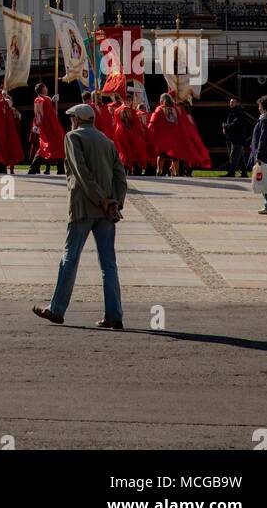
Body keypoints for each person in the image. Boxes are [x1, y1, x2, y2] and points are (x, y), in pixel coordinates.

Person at [32, 102, 128, 330]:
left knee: (70, 257)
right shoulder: (107, 141)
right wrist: (114, 202)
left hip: (83, 208)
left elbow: (81, 172)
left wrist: (101, 199)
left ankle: (57, 309)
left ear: (77, 119)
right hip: (106, 212)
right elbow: (121, 178)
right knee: (108, 263)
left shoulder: (73, 138)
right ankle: (114, 315)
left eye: (71, 118)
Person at [148, 91, 189, 176]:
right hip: (174, 136)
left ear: (162, 100)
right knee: (175, 156)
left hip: (163, 136)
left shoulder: (160, 109)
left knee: (161, 154)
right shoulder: (176, 109)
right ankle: (176, 173)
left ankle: (159, 171)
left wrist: (149, 130)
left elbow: (153, 121)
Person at [28, 82, 65, 175]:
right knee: (52, 146)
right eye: (45, 87)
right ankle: (60, 169)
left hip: (46, 127)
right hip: (50, 128)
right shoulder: (43, 100)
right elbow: (47, 115)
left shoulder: (40, 99)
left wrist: (52, 101)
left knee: (47, 147)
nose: (47, 89)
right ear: (43, 89)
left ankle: (33, 168)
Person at [177, 97, 211, 174]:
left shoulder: (187, 116)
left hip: (188, 139)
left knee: (189, 156)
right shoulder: (182, 116)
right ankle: (182, 171)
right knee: (183, 156)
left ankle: (187, 171)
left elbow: (192, 128)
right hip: (182, 139)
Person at [222, 97, 249, 177]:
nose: (231, 103)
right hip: (234, 138)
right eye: (230, 102)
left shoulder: (239, 112)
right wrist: (225, 126)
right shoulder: (233, 111)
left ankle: (231, 172)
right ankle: (244, 173)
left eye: (233, 102)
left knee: (234, 155)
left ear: (238, 103)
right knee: (239, 156)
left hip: (238, 138)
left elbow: (236, 123)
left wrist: (226, 126)